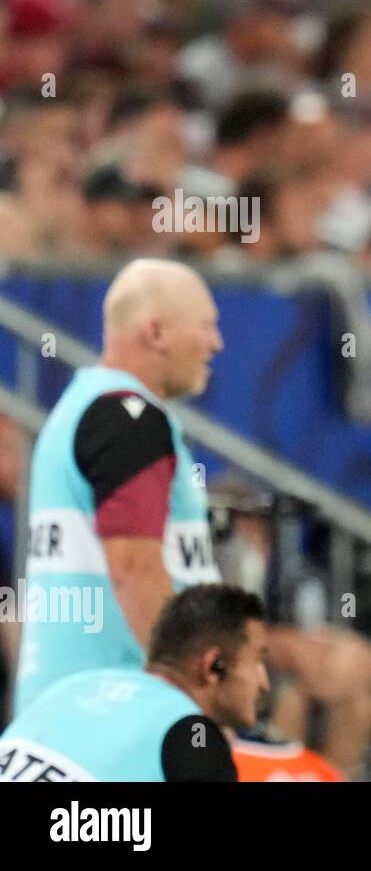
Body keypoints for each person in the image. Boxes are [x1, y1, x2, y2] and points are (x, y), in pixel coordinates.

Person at [14, 259, 224, 713]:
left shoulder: (84, 407)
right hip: (114, 713)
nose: (216, 343)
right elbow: (134, 569)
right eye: (206, 326)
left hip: (72, 707)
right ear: (157, 333)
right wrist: (197, 692)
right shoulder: (127, 418)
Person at [0, 584, 268, 781]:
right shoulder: (194, 734)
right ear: (213, 667)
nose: (264, 682)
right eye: (257, 660)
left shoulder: (72, 686)